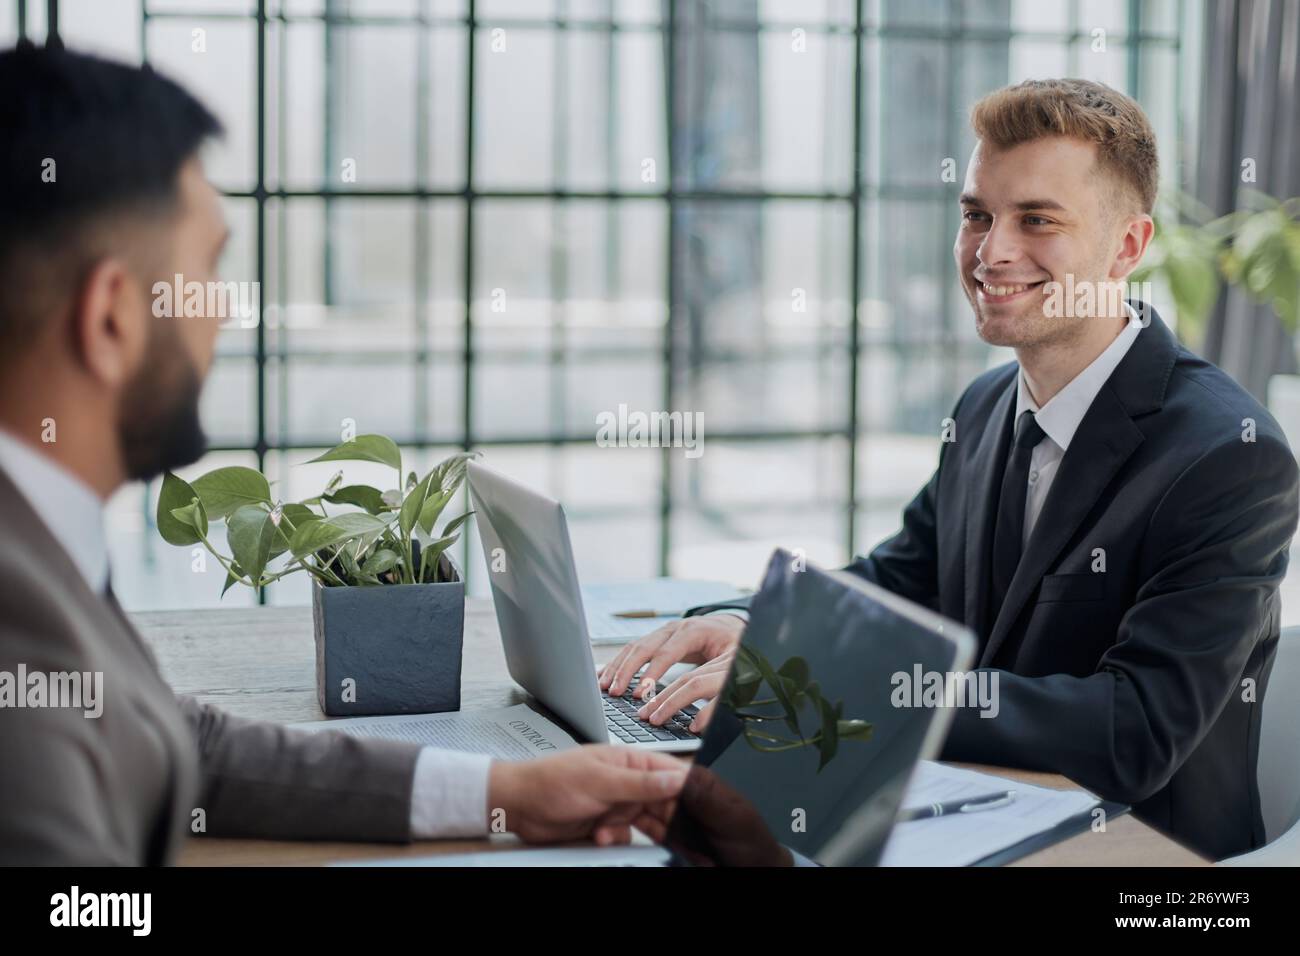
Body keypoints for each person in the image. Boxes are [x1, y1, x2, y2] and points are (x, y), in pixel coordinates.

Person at [0, 43, 684, 865]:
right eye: (206, 272)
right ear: (112, 317)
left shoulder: (37, 537)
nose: (221, 313)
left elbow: (176, 745)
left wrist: (505, 797)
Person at [601, 78, 1300, 861]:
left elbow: (1134, 727)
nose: (991, 250)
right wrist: (747, 628)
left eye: (1037, 219)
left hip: (1141, 858)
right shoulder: (985, 405)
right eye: (977, 214)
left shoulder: (1229, 456)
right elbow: (901, 580)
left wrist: (865, 687)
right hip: (973, 809)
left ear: (1128, 248)